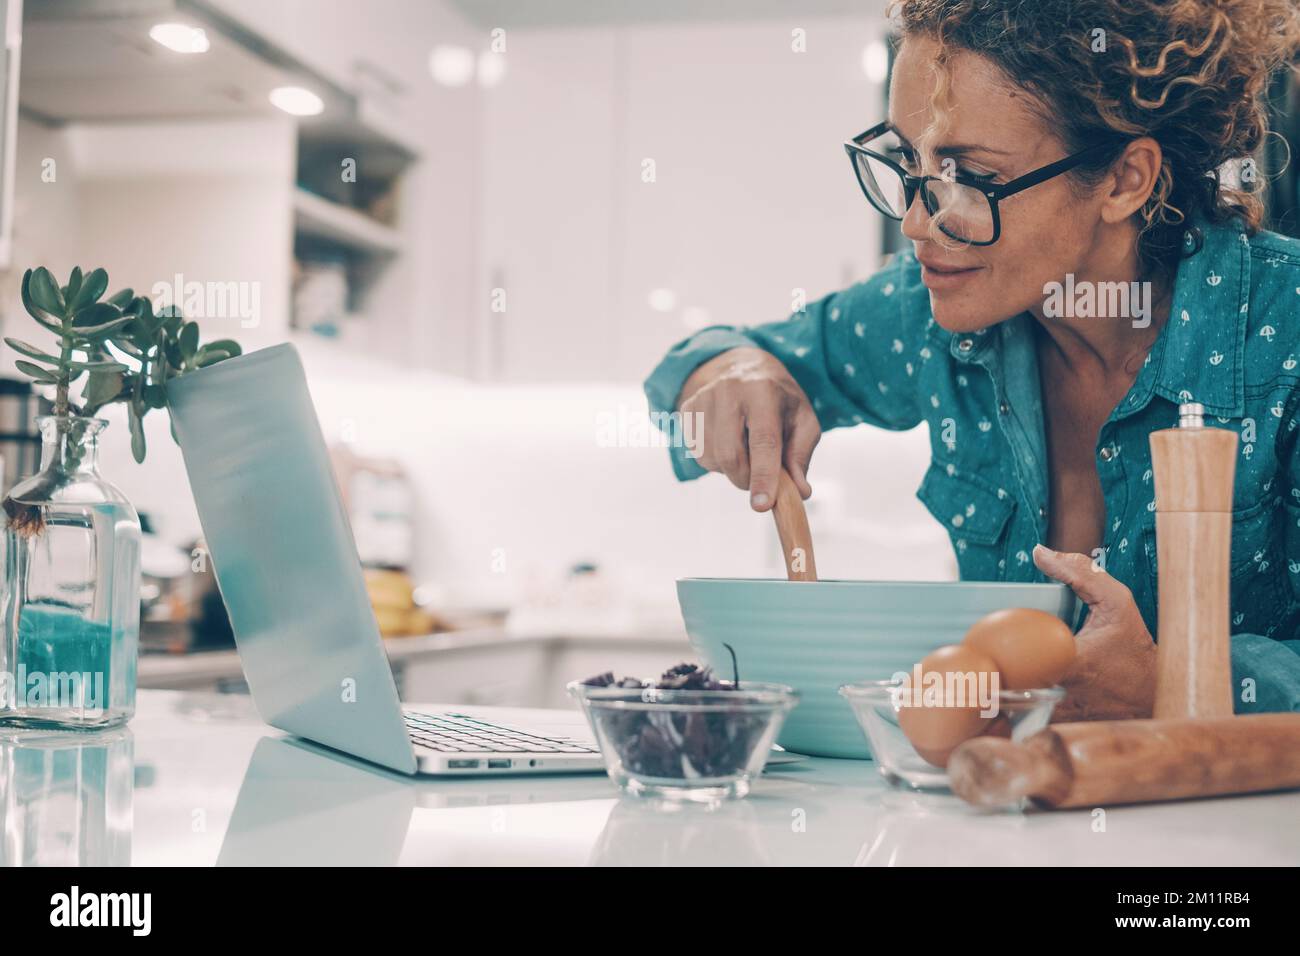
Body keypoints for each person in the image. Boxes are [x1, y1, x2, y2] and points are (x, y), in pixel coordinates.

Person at [644, 0, 1300, 719]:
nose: (917, 223)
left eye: (969, 176)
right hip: (999, 817)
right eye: (908, 164)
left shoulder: (1282, 331)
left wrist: (1175, 683)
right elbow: (710, 367)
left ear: (1124, 180)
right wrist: (726, 371)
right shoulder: (937, 314)